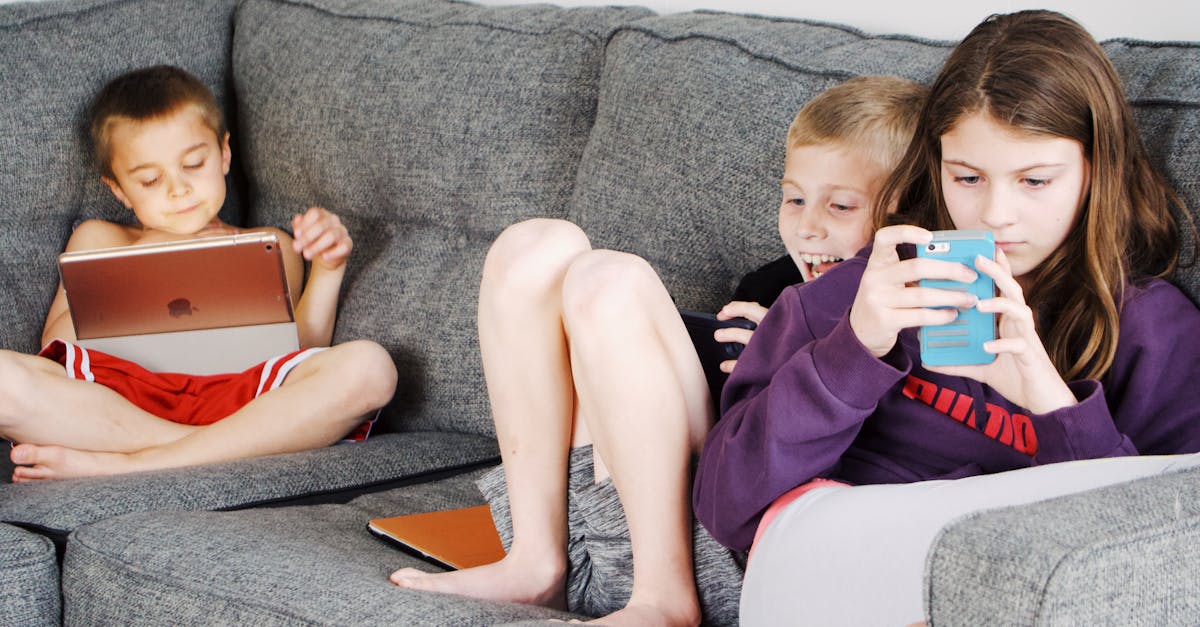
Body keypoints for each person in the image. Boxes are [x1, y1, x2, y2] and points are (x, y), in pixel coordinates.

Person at [690, 11, 1200, 626]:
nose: (995, 214)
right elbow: (726, 503)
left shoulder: (1152, 330)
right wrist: (853, 353)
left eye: (1035, 180)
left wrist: (1051, 403)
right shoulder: (850, 293)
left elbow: (1161, 563)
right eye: (967, 177)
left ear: (1097, 169)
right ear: (935, 167)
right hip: (831, 565)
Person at [389, 75, 926, 626]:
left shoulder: (908, 316)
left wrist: (797, 358)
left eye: (839, 206)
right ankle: (533, 562)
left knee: (609, 280)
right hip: (601, 514)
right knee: (533, 245)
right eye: (793, 198)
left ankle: (664, 599)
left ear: (903, 213)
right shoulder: (771, 286)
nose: (808, 227)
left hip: (721, 543)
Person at [0, 65, 397, 482]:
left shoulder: (269, 244)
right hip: (119, 402)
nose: (178, 189)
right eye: (151, 180)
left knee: (371, 367)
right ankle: (215, 446)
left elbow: (300, 348)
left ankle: (137, 461)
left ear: (224, 154)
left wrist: (329, 269)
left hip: (241, 396)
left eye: (193, 164)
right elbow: (58, 344)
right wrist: (148, 254)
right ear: (119, 189)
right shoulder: (99, 237)